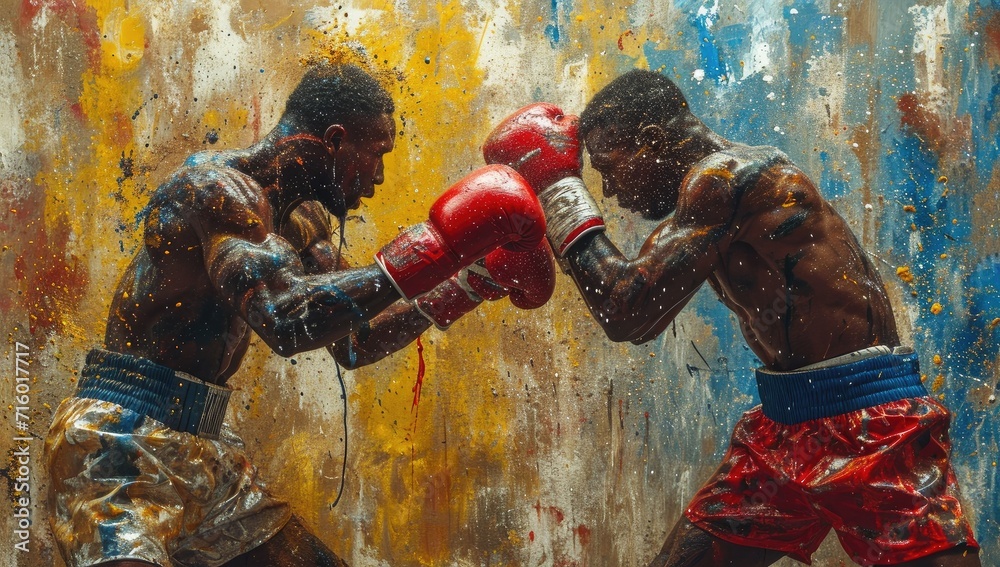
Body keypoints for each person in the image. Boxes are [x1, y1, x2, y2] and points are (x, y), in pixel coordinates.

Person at [43, 59, 556, 567]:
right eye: (377, 155)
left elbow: (356, 340)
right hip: (119, 438)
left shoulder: (303, 220)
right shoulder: (214, 190)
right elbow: (284, 320)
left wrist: (470, 282)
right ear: (335, 140)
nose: (379, 177)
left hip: (204, 444)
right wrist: (436, 245)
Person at [482, 69, 981, 566]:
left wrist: (558, 189)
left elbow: (627, 311)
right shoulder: (705, 204)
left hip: (870, 418)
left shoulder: (730, 180)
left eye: (609, 169)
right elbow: (633, 315)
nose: (610, 191)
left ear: (651, 141)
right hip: (784, 424)